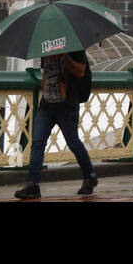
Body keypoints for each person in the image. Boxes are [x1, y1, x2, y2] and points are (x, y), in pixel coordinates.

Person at [15, 50, 97, 199]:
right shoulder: (45, 47)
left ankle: (89, 176)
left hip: (67, 106)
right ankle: (33, 184)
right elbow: (46, 72)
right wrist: (45, 88)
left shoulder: (75, 48)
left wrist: (64, 57)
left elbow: (80, 71)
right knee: (38, 142)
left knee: (73, 142)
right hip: (47, 104)